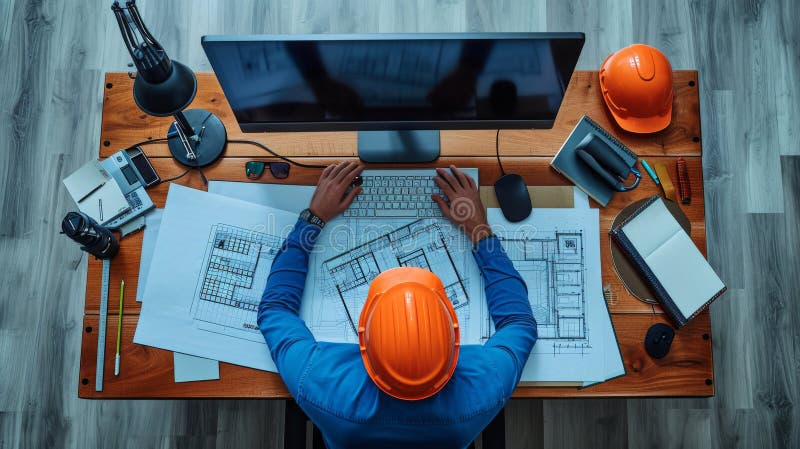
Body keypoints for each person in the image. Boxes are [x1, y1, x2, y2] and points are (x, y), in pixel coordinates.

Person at [258, 161, 537, 449]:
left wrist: (313, 218)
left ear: (363, 335)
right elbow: (519, 324)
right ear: (453, 336)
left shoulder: (320, 383)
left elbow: (275, 309)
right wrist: (478, 228)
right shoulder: (485, 388)